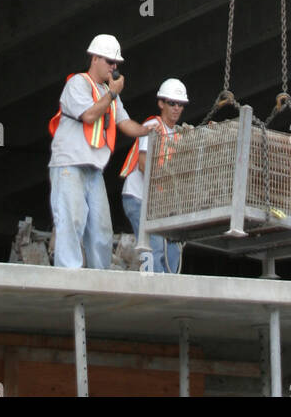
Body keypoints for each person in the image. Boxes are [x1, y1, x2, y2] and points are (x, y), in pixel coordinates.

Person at [48, 34, 152, 269]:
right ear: (95, 58)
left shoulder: (109, 94)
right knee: (72, 220)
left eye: (116, 64)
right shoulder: (78, 83)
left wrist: (149, 131)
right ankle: (68, 276)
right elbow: (89, 115)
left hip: (93, 171)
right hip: (69, 165)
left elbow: (125, 124)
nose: (114, 68)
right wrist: (112, 94)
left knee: (102, 228)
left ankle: (99, 276)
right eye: (109, 62)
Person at [120, 78, 188, 274]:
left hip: (158, 204)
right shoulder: (153, 125)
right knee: (154, 245)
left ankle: (168, 289)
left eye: (180, 104)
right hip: (138, 198)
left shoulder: (177, 136)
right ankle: (152, 286)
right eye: (172, 103)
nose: (177, 108)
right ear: (161, 103)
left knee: (174, 247)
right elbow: (143, 165)